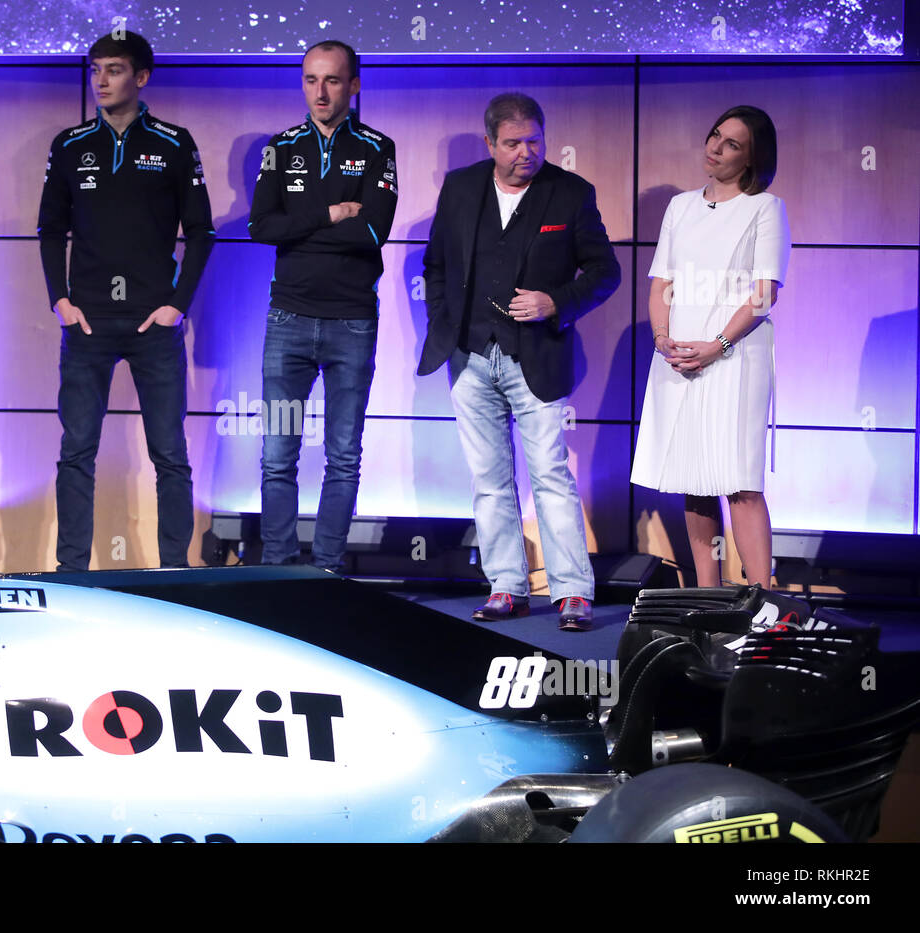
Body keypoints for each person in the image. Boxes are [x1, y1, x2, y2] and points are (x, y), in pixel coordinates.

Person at [420, 92, 620, 631]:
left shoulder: (571, 193)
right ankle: (506, 585)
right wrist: (446, 322)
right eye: (513, 143)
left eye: (535, 140)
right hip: (468, 355)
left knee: (551, 473)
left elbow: (604, 273)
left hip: (537, 355)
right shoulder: (461, 188)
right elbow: (435, 265)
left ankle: (573, 592)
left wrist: (557, 302)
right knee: (488, 478)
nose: (526, 152)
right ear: (490, 144)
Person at [37, 31, 215, 571]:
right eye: (95, 70)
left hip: (154, 325)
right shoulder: (69, 145)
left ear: (141, 77)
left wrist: (176, 304)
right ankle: (71, 574)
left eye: (114, 70)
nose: (102, 80)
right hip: (87, 325)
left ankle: (175, 576)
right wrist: (60, 302)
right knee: (76, 453)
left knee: (170, 456)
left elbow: (202, 232)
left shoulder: (174, 142)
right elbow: (49, 230)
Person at [248, 40, 398, 573]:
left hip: (351, 324)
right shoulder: (280, 147)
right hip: (288, 322)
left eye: (332, 80)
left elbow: (373, 232)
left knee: (343, 459)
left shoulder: (380, 147)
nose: (320, 91)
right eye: (311, 79)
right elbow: (261, 228)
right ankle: (282, 573)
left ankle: (329, 572)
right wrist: (332, 212)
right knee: (276, 458)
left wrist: (305, 227)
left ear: (353, 85)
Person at [631, 106, 790, 589]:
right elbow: (661, 282)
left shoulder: (766, 207)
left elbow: (765, 291)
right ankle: (708, 596)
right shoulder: (680, 206)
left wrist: (716, 345)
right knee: (694, 480)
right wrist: (662, 340)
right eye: (715, 136)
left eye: (732, 144)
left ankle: (764, 600)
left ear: (751, 158)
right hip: (678, 356)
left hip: (736, 355)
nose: (715, 149)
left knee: (738, 480)